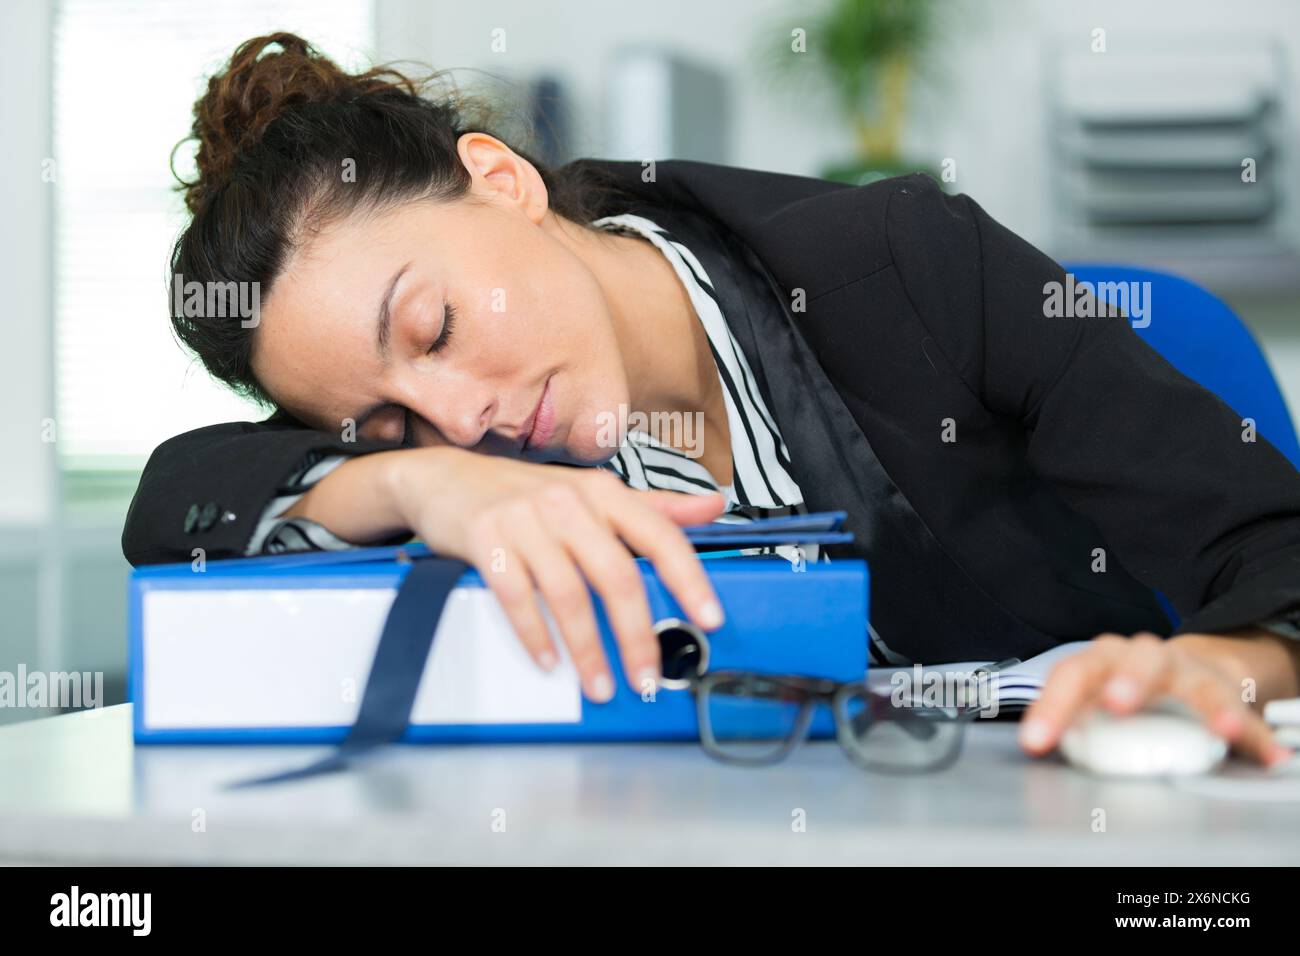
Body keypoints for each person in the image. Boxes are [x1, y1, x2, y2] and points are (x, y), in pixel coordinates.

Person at [125, 33, 1300, 765]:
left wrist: (1220, 668)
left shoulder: (905, 263)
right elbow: (179, 497)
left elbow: (1274, 544)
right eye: (392, 417)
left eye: (433, 327)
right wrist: (415, 478)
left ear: (498, 180)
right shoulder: (460, 444)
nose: (461, 412)